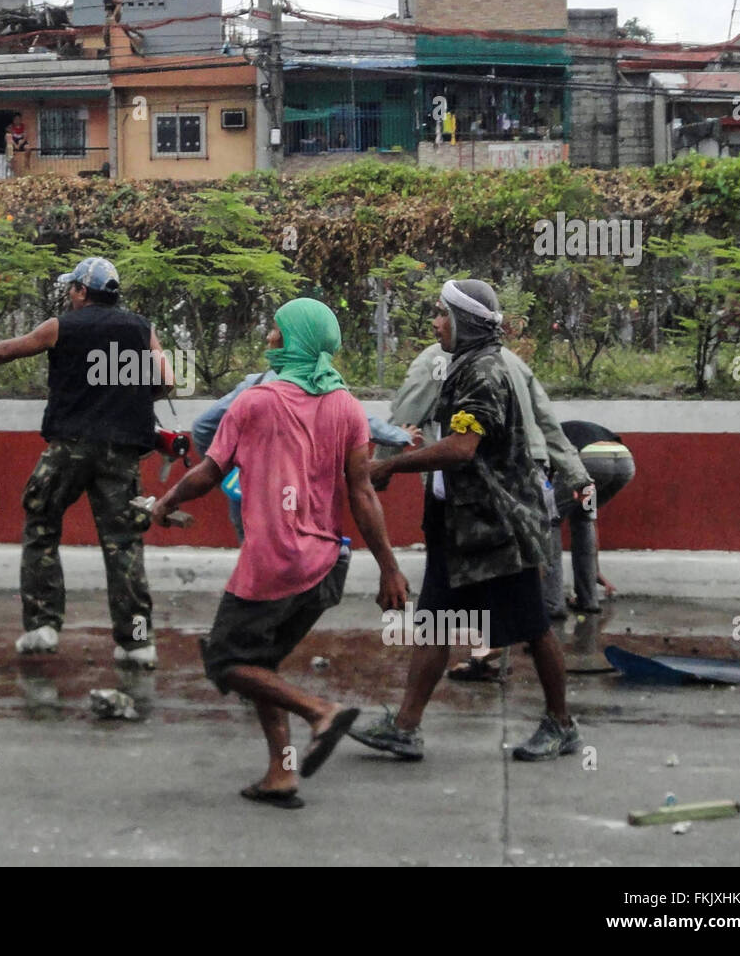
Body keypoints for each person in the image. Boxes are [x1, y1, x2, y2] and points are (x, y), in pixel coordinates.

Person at [153, 299, 409, 808]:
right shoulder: (347, 407)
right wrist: (389, 567)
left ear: (293, 341)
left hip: (274, 561)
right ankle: (280, 774)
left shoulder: (256, 402)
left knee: (227, 662)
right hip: (327, 564)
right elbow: (362, 493)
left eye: (276, 330)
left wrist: (167, 499)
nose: (269, 337)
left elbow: (208, 471)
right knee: (260, 664)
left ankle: (322, 712)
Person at [356, 280, 580, 762]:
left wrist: (390, 464)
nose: (435, 323)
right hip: (458, 522)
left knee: (532, 626)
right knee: (435, 622)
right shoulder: (466, 366)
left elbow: (461, 448)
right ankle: (405, 726)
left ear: (465, 322)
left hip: (497, 525)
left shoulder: (483, 372)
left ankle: (562, 726)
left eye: (442, 315)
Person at [0, 257, 173, 668]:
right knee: (124, 542)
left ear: (80, 291)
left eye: (70, 288)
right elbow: (166, 380)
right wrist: (130, 397)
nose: (67, 294)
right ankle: (136, 645)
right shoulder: (142, 329)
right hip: (121, 453)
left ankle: (42, 627)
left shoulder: (61, 326)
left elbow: (9, 350)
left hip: (68, 449)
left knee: (41, 525)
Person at [193, 370, 418, 545]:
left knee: (257, 573)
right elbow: (362, 420)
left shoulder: (255, 385)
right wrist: (401, 436)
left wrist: (223, 471)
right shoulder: (322, 385)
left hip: (249, 499)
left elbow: (203, 427)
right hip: (300, 500)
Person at [555, 421, 636, 612]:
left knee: (551, 520)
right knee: (584, 519)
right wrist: (594, 569)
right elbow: (592, 520)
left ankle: (552, 604)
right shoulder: (577, 428)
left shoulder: (545, 433)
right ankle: (589, 599)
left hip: (590, 462)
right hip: (624, 462)